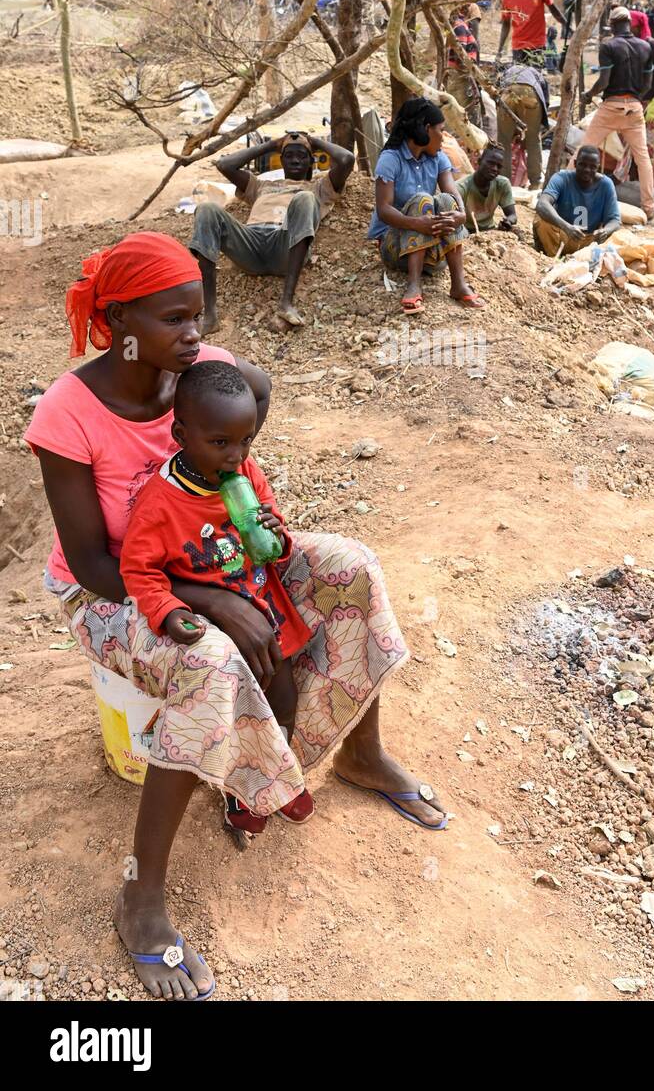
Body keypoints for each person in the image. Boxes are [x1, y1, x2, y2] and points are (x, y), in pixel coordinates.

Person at [26, 233, 447, 1002]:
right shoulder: (68, 413)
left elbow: (256, 389)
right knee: (212, 658)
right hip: (118, 589)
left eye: (199, 315)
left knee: (350, 567)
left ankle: (358, 752)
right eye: (175, 319)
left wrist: (202, 355)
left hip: (219, 546)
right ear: (121, 320)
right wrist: (209, 599)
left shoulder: (193, 376)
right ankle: (142, 893)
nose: (195, 333)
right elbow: (92, 564)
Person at [121, 359, 315, 830]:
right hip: (216, 626)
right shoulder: (161, 502)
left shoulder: (247, 474)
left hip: (263, 612)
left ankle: (274, 780)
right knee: (231, 716)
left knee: (282, 699)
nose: (235, 455)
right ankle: (237, 793)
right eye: (221, 443)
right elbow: (138, 570)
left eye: (246, 440)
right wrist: (167, 613)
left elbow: (275, 542)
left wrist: (275, 531)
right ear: (182, 435)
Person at [189, 128, 354, 332]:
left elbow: (347, 159)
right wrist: (271, 144)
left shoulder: (319, 188)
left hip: (285, 245)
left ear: (311, 162)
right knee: (207, 209)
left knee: (304, 198)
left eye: (302, 156)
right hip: (250, 245)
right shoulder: (261, 186)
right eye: (289, 155)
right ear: (281, 160)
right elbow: (225, 165)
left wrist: (313, 142)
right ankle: (210, 315)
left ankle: (286, 303)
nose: (295, 160)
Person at [367, 96, 486, 314]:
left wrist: (460, 214)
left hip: (431, 252)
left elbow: (452, 191)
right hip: (396, 249)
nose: (444, 137)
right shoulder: (391, 158)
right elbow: (383, 210)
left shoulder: (438, 158)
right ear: (426, 129)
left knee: (446, 201)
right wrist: (415, 223)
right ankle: (414, 284)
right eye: (441, 130)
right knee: (423, 199)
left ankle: (458, 284)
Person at [582, 6, 654, 219]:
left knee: (584, 150)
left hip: (611, 107)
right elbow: (649, 81)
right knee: (643, 158)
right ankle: (649, 208)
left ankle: (562, 192)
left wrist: (589, 94)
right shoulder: (645, 46)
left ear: (612, 25)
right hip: (635, 108)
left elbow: (604, 82)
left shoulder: (608, 46)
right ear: (630, 24)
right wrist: (637, 98)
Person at [534, 145, 621, 256]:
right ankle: (551, 256)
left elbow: (615, 220)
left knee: (620, 235)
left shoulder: (606, 184)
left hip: (589, 241)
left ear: (598, 167)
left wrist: (605, 231)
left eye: (592, 167)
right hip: (562, 236)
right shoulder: (562, 178)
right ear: (575, 163)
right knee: (541, 220)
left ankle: (586, 258)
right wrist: (566, 226)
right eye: (582, 165)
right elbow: (542, 204)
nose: (587, 170)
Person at [497, 0, 566, 70]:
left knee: (535, 78)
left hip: (537, 45)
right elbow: (506, 24)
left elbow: (554, 10)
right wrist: (500, 51)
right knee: (519, 79)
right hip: (518, 46)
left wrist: (567, 25)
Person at [497, 60, 548, 187]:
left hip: (508, 93)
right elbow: (545, 102)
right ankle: (535, 182)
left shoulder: (506, 73)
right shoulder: (536, 74)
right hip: (530, 94)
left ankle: (504, 183)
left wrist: (511, 130)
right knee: (533, 140)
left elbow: (497, 99)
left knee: (503, 141)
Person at [457, 145, 518, 232]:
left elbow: (512, 215)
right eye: (491, 163)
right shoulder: (462, 187)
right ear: (479, 161)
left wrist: (508, 221)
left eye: (499, 166)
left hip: (490, 231)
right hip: (465, 232)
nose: (495, 169)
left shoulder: (502, 184)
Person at [445, 4, 481, 126]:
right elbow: (460, 55)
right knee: (463, 115)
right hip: (460, 77)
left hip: (457, 75)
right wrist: (470, 72)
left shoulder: (456, 26)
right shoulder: (460, 27)